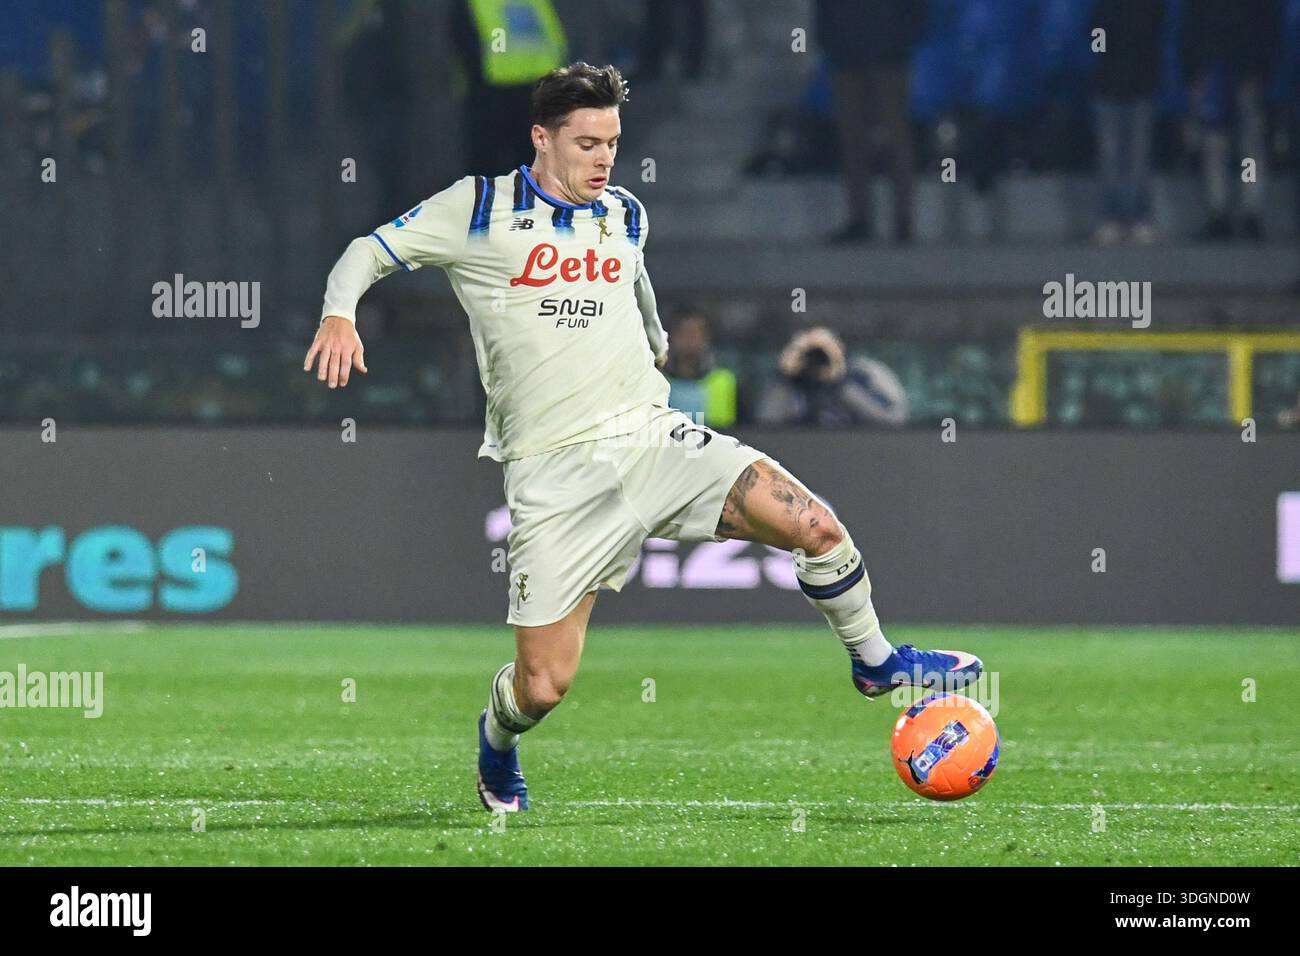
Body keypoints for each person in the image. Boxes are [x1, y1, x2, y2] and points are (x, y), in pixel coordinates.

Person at [304, 63, 980, 813]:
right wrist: (341, 313)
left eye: (613, 143)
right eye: (587, 142)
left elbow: (636, 280)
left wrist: (655, 335)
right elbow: (368, 250)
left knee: (816, 527)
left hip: (654, 440)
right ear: (543, 137)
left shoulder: (624, 213)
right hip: (555, 475)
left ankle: (876, 662)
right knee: (542, 688)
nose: (602, 159)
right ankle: (497, 741)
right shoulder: (477, 207)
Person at [1089, 0, 1166, 245]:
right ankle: (1111, 218)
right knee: (1110, 156)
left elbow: (1154, 34)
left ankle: (1138, 217)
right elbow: (1095, 34)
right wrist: (1101, 59)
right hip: (1107, 86)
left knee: (1138, 157)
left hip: (1141, 84)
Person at [758, 327, 909, 427]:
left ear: (839, 347)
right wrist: (785, 377)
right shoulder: (787, 380)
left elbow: (893, 420)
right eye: (807, 350)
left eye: (823, 349)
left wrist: (841, 381)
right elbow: (766, 424)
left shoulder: (865, 373)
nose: (816, 356)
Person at [662, 311, 740, 428]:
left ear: (707, 339)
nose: (690, 341)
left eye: (696, 334)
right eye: (683, 333)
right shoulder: (656, 380)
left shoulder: (725, 381)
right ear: (670, 338)